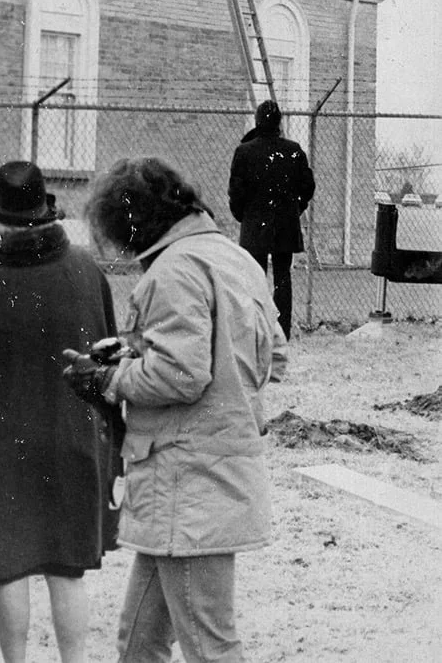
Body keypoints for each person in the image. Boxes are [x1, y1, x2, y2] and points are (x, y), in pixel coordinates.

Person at [63, 157, 287, 663]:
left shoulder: (173, 271)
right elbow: (274, 353)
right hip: (207, 478)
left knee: (210, 646)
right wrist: (136, 356)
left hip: (186, 487)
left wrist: (109, 379)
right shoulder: (234, 258)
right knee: (139, 639)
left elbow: (182, 375)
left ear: (132, 223)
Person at [0, 160, 124, 663]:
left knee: (8, 567)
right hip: (72, 439)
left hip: (4, 448)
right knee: (67, 568)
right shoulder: (85, 270)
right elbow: (109, 353)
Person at [228, 98, 316, 339]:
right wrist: (295, 208)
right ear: (279, 123)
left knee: (253, 278)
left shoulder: (244, 152)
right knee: (283, 278)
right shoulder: (293, 150)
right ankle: (282, 331)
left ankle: (254, 330)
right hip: (284, 224)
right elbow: (307, 186)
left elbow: (236, 192)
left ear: (257, 122)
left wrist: (242, 216)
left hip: (255, 224)